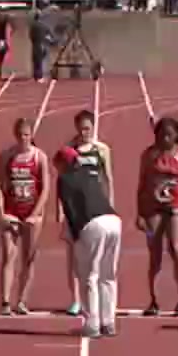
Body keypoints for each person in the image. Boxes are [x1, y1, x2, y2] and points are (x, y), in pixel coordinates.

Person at [57, 145, 123, 337]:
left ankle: (92, 324)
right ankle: (108, 322)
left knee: (89, 276)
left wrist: (74, 237)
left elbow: (70, 209)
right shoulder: (90, 173)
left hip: (92, 224)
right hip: (113, 220)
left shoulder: (64, 179)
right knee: (108, 275)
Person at [137, 117, 178, 317]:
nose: (165, 139)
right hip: (153, 209)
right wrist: (140, 213)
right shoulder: (149, 155)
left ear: (176, 135)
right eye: (161, 135)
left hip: (176, 208)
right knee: (155, 255)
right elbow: (142, 184)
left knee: (176, 249)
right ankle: (153, 300)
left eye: (169, 135)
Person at [0, 115, 49, 315]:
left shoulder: (39, 157)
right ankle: (5, 302)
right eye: (19, 135)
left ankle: (22, 300)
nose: (23, 138)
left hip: (32, 212)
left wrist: (34, 214)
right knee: (9, 255)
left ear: (31, 135)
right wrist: (1, 212)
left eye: (26, 135)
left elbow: (45, 188)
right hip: (12, 212)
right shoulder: (6, 156)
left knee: (28, 258)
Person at [63, 110, 112, 317]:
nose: (85, 132)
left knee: (96, 256)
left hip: (96, 208)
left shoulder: (101, 150)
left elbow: (107, 179)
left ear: (93, 127)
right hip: (75, 208)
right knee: (74, 256)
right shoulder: (69, 150)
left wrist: (110, 205)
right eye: (81, 129)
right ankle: (75, 299)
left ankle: (96, 297)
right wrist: (62, 211)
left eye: (88, 128)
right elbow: (63, 179)